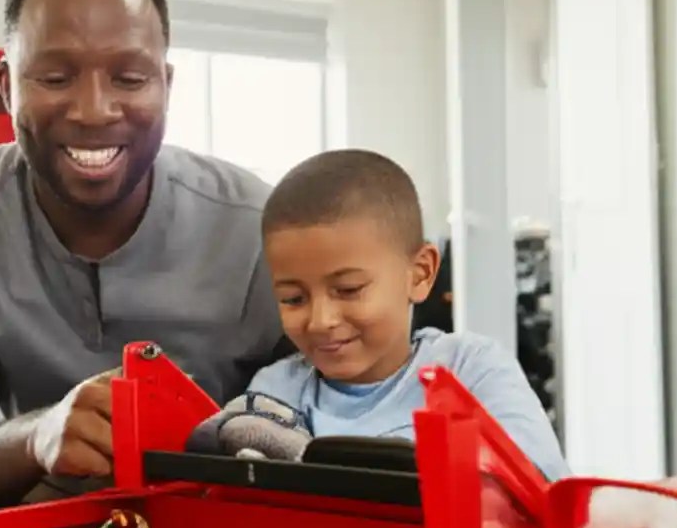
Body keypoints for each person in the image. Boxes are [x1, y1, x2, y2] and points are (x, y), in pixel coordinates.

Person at [0, 0, 284, 514]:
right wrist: (34, 437)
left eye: (130, 78)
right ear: (6, 86)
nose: (93, 111)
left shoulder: (262, 229)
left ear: (166, 84)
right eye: (54, 77)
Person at [239, 149, 569, 480]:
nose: (321, 320)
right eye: (293, 299)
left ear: (420, 274)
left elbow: (538, 485)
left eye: (349, 289)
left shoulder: (471, 370)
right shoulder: (277, 391)